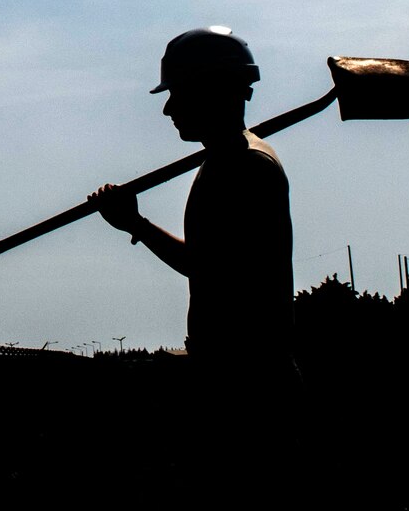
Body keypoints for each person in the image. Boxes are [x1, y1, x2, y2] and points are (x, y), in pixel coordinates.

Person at [88, 26, 300, 501]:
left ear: (212, 91)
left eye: (177, 94)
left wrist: (135, 224)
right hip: (240, 379)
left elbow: (208, 269)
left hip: (247, 390)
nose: (167, 108)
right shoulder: (227, 160)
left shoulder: (245, 168)